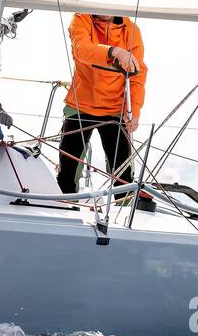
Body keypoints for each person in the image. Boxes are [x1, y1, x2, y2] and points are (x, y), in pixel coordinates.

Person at [56, 13, 153, 211]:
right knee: (68, 170)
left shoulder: (131, 30)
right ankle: (65, 209)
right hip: (80, 104)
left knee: (123, 174)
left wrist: (134, 109)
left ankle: (123, 213)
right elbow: (82, 50)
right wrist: (114, 51)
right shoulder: (81, 19)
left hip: (115, 109)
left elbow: (137, 76)